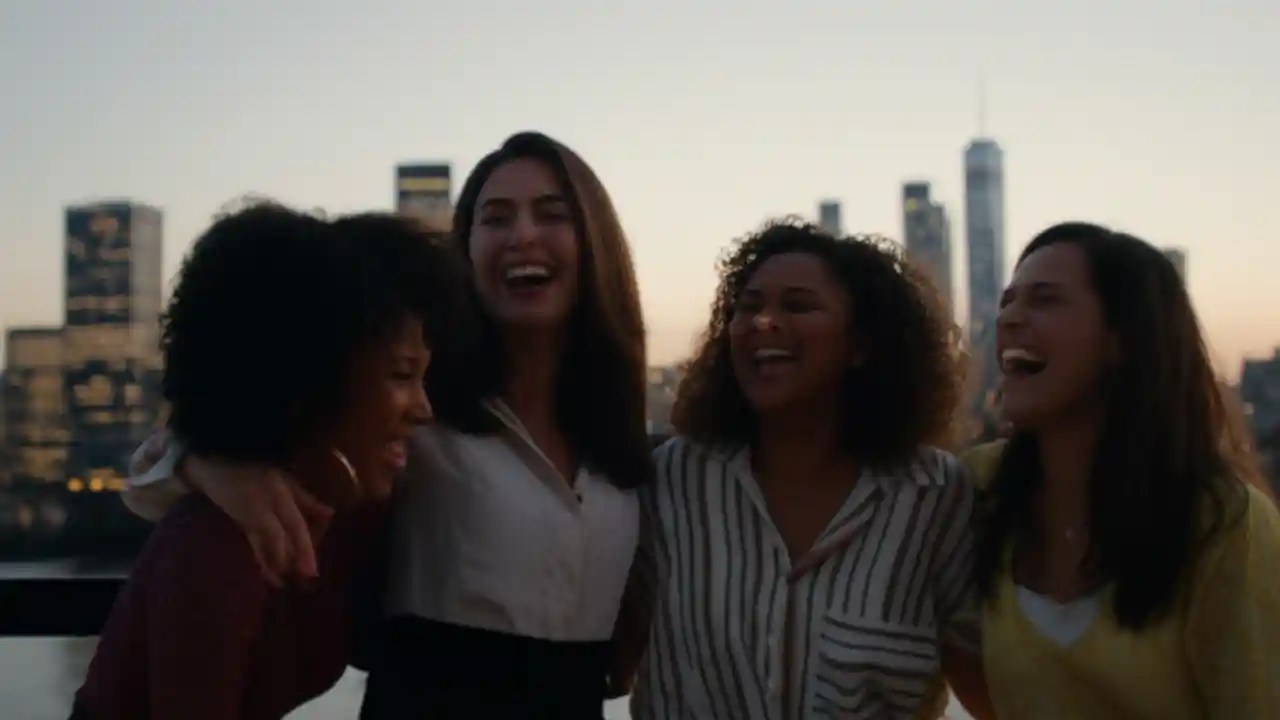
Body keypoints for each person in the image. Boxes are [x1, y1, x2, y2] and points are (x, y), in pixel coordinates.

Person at [118, 132, 652, 719]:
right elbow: (154, 472)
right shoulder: (414, 415)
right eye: (496, 218)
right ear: (466, 249)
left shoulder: (622, 441)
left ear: (594, 241)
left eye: (552, 214)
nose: (523, 235)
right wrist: (213, 466)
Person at [71, 206, 494, 719]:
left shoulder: (354, 508)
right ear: (309, 377)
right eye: (402, 375)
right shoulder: (216, 547)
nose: (424, 409)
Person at [627, 220, 993, 720]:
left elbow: (992, 690)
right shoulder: (669, 483)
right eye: (749, 306)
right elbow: (603, 658)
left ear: (862, 344)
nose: (763, 322)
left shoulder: (934, 497)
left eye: (798, 305)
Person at [967, 222, 1280, 718]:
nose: (1008, 319)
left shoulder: (1224, 525)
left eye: (1044, 300)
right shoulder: (976, 490)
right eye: (1008, 300)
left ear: (1123, 341)